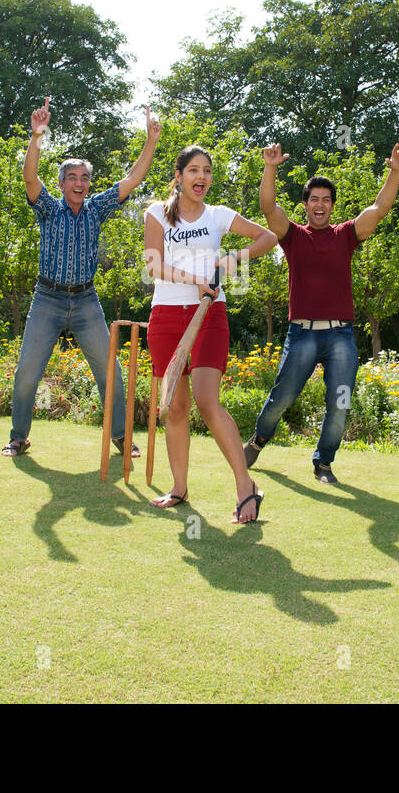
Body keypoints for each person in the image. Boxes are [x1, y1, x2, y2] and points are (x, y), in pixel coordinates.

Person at [242, 141, 399, 484]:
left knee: (341, 402)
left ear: (332, 206)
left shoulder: (346, 235)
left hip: (340, 336)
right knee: (282, 398)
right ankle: (259, 439)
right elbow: (268, 207)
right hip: (301, 333)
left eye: (326, 200)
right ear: (305, 205)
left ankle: (323, 463)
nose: (320, 205)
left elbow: (378, 209)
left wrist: (394, 172)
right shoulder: (292, 236)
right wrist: (270, 166)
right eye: (314, 199)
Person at [3, 100, 160, 457]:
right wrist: (36, 136)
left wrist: (150, 141)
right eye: (72, 177)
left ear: (89, 184)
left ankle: (119, 434)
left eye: (84, 177)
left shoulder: (97, 208)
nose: (79, 182)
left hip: (86, 300)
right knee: (28, 370)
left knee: (111, 371)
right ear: (61, 184)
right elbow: (30, 176)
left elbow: (133, 178)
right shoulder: (48, 207)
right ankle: (18, 437)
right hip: (48, 298)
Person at [145, 145, 278, 522]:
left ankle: (245, 486)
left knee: (206, 400)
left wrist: (234, 258)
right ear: (179, 175)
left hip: (209, 316)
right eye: (193, 171)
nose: (201, 178)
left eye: (206, 171)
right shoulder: (157, 212)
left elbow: (268, 238)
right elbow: (154, 264)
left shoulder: (219, 216)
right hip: (167, 317)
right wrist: (196, 279)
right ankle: (179, 487)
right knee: (174, 406)